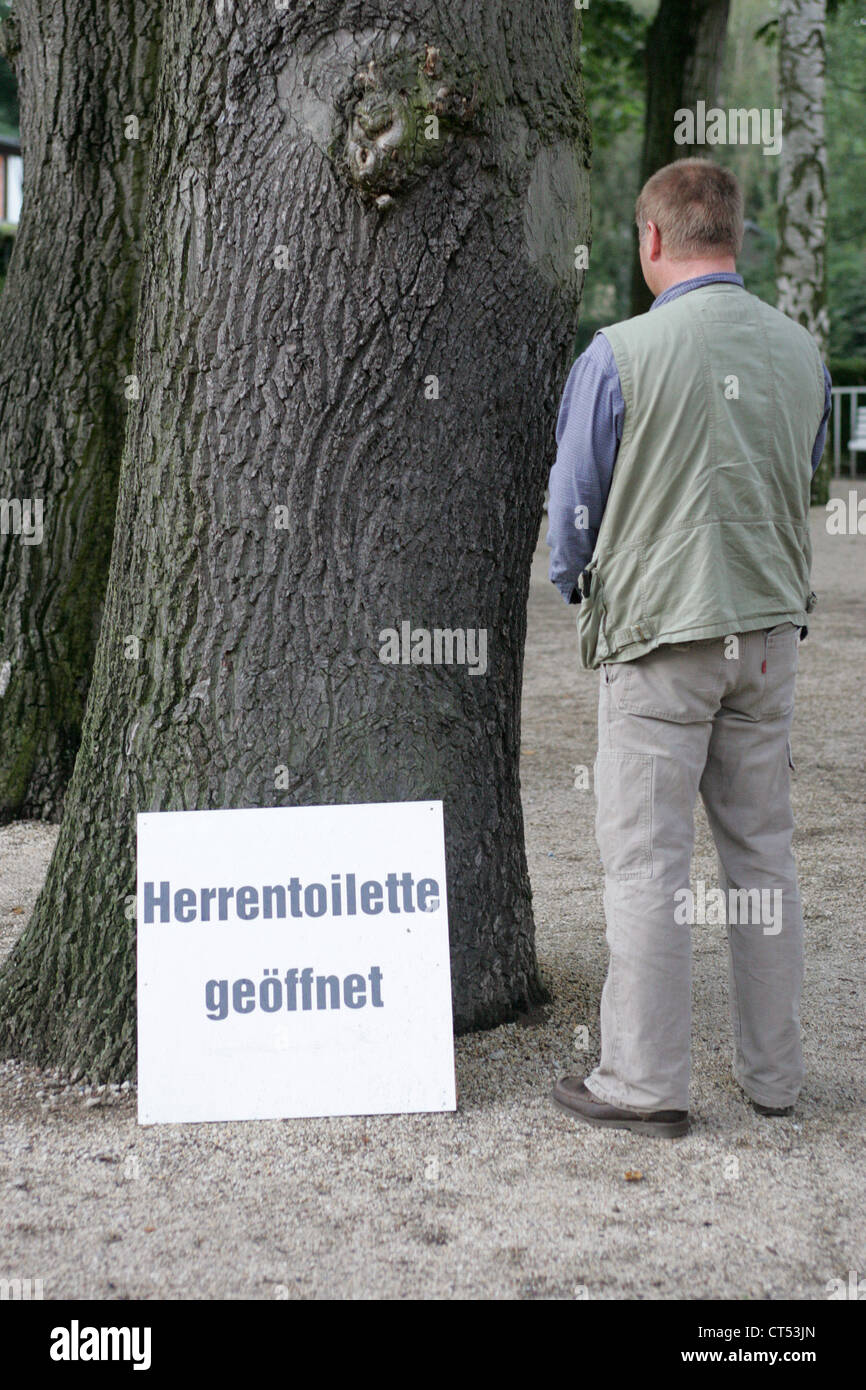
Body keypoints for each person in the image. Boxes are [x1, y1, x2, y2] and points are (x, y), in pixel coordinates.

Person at [546, 158, 832, 1138]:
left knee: (646, 863)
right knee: (761, 859)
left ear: (651, 240)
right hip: (763, 637)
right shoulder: (801, 354)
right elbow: (796, 479)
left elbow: (572, 505)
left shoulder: (618, 352)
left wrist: (571, 577)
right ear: (735, 236)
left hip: (658, 636)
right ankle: (775, 1075)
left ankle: (643, 1081)